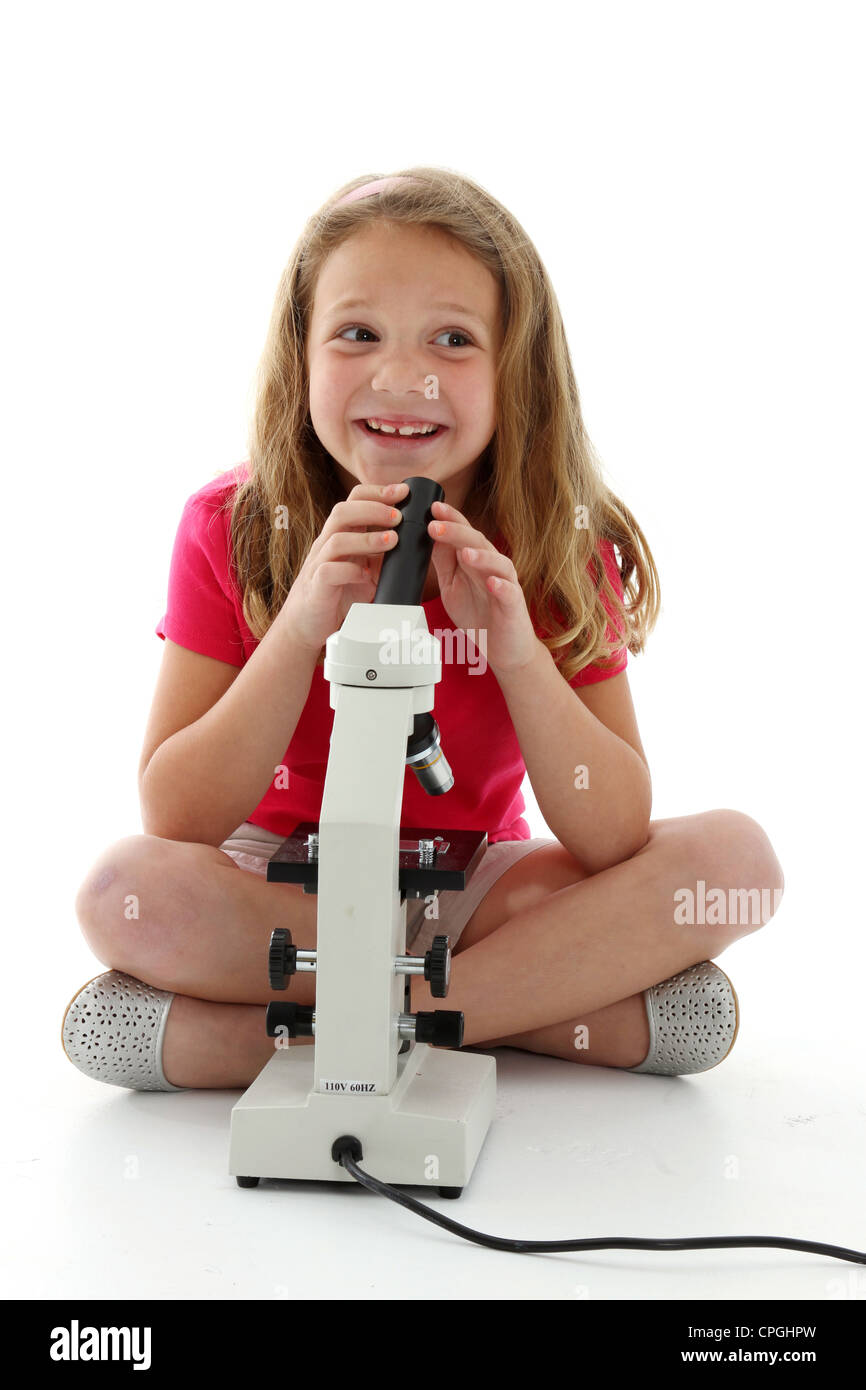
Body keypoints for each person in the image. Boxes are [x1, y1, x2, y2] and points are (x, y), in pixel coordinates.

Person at [63, 168, 784, 1092]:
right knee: (124, 894)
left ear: (514, 367)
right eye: (359, 334)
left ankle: (316, 1035)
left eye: (453, 339)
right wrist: (297, 630)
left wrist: (518, 650)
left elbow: (611, 834)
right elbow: (178, 816)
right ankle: (517, 1013)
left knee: (737, 863)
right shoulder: (232, 526)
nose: (404, 377)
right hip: (287, 899)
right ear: (302, 354)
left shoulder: (558, 541)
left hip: (470, 893)